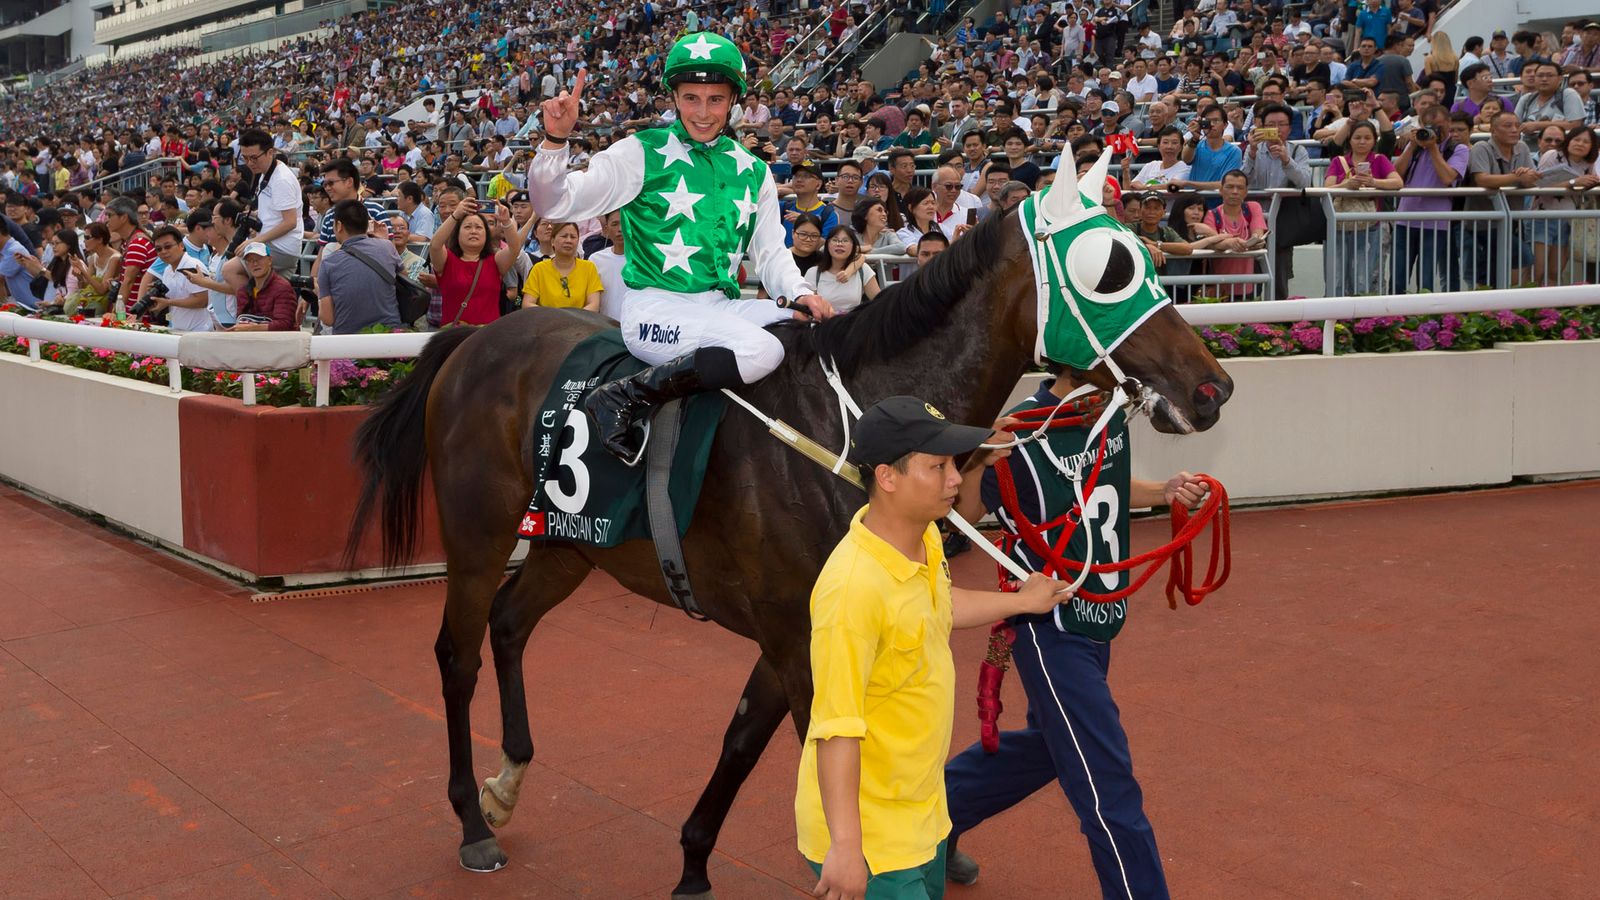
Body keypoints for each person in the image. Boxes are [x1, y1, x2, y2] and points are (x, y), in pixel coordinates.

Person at [942, 368, 1210, 899]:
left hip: (1095, 614)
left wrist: (1165, 490)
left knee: (1052, 747)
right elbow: (966, 516)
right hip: (1048, 624)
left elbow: (1099, 481)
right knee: (1106, 780)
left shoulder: (1103, 414)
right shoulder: (1021, 427)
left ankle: (930, 817)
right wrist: (977, 459)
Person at [798, 396, 1070, 900]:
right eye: (938, 466)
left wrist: (1024, 601)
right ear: (887, 476)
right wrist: (845, 846)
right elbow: (835, 727)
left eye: (953, 465)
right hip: (872, 837)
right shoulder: (851, 590)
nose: (954, 480)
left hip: (921, 817)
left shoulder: (924, 539)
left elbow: (940, 605)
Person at [526, 33, 831, 463]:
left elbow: (771, 254)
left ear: (733, 102)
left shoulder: (754, 171)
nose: (703, 113)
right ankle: (623, 397)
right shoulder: (639, 152)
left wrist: (801, 293)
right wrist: (554, 142)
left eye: (715, 99)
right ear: (674, 97)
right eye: (691, 98)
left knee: (809, 328)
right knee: (762, 349)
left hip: (721, 307)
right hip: (655, 311)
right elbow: (554, 203)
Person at [1391, 107, 1472, 293]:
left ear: (1448, 124)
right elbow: (1396, 174)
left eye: (1438, 126)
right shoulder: (1416, 147)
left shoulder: (1458, 149)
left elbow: (1447, 178)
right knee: (1397, 278)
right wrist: (1412, 145)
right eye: (1428, 126)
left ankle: (1424, 320)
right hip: (1405, 219)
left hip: (1435, 223)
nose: (1433, 130)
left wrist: (1434, 147)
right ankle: (1393, 318)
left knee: (1425, 280)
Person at [1325, 123, 1403, 295]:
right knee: (1338, 272)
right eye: (1357, 137)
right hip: (1340, 225)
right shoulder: (1339, 161)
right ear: (1350, 140)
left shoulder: (1380, 160)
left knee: (1365, 272)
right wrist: (1347, 184)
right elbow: (1328, 187)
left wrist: (1373, 183)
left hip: (1370, 225)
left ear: (1374, 140)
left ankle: (1361, 314)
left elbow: (1397, 182)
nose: (1362, 142)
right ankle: (1336, 312)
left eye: (1367, 138)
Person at [1465, 111, 1539, 287]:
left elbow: (1531, 179)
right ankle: (1490, 305)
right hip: (1483, 223)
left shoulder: (1522, 147)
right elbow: (1482, 179)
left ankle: (1506, 302)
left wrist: (1525, 178)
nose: (1514, 130)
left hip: (1512, 221)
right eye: (1507, 126)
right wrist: (1516, 178)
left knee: (1500, 264)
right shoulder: (1481, 147)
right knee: (1519, 256)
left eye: (1517, 125)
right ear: (1493, 130)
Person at [315, 200, 402, 334]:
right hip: (388, 336)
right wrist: (384, 240)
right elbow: (403, 277)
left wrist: (319, 291)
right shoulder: (387, 246)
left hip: (349, 344)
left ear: (339, 226)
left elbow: (328, 319)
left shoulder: (329, 263)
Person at [1530, 125, 1600, 285]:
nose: (1580, 144)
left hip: (1568, 221)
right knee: (1538, 271)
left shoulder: (1588, 163)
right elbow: (1540, 185)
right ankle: (1530, 308)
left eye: (1586, 142)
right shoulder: (1552, 155)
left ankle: (1550, 309)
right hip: (1542, 219)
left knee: (1555, 272)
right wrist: (1574, 182)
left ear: (1592, 146)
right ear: (1568, 141)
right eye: (1577, 139)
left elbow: (1589, 185)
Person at [238, 128, 303, 274]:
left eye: (254, 158)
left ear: (270, 152)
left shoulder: (281, 179)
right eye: (245, 158)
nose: (249, 163)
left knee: (229, 269)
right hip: (272, 243)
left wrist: (256, 241)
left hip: (282, 248)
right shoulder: (267, 170)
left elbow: (290, 222)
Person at [1201, 170, 1269, 298]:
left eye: (1240, 187)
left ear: (1246, 192)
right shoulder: (1211, 214)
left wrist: (1256, 240)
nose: (1235, 192)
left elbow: (1258, 232)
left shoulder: (1253, 207)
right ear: (1221, 189)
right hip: (1219, 287)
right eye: (1230, 187)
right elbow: (1212, 242)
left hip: (1249, 284)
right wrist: (1231, 243)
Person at [136, 226, 213, 332]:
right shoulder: (168, 270)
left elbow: (203, 301)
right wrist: (158, 302)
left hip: (199, 332)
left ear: (181, 246)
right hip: (177, 330)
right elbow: (174, 300)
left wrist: (168, 302)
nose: (163, 251)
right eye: (158, 249)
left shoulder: (193, 265)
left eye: (167, 247)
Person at [521, 220, 602, 312]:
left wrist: (573, 319)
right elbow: (527, 304)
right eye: (564, 236)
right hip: (547, 323)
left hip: (580, 324)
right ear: (552, 241)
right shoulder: (539, 269)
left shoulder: (589, 268)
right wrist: (555, 316)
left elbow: (594, 304)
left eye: (573, 237)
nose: (568, 240)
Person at [803, 226, 881, 314]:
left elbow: (880, 302)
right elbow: (808, 309)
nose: (839, 244)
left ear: (853, 246)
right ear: (827, 245)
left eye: (845, 240)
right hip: (824, 324)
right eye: (835, 240)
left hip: (852, 324)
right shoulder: (813, 273)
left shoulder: (863, 269)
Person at [229, 242, 299, 331]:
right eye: (250, 260)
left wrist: (252, 328)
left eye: (259, 258)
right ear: (246, 265)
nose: (255, 263)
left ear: (270, 260)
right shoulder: (243, 291)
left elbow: (285, 324)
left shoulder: (283, 287)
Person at [66, 222, 119, 316]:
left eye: (87, 237)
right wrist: (79, 276)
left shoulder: (115, 258)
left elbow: (102, 290)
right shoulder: (93, 257)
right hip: (93, 300)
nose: (84, 241)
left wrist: (82, 269)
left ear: (100, 239)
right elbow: (86, 286)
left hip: (107, 305)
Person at [781, 160, 838, 244]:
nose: (799, 180)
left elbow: (827, 245)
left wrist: (805, 222)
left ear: (818, 184)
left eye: (806, 176)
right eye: (796, 176)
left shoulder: (827, 213)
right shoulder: (783, 208)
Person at [586, 209, 629, 321]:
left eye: (624, 223)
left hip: (634, 328)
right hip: (605, 326)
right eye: (614, 224)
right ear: (606, 229)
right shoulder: (595, 260)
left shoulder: (643, 260)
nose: (620, 229)